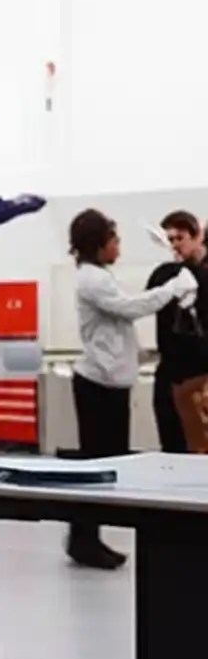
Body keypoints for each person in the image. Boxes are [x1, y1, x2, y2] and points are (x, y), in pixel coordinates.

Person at [66, 209, 197, 569]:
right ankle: (83, 539)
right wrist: (173, 287)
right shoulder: (93, 280)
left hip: (110, 382)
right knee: (97, 464)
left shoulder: (101, 276)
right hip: (98, 386)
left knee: (108, 462)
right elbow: (130, 308)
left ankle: (87, 536)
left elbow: (117, 328)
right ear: (98, 244)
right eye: (114, 239)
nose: (118, 245)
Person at [146, 210, 208, 453]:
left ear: (197, 236)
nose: (175, 245)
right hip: (172, 376)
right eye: (170, 240)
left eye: (179, 238)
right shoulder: (166, 276)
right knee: (172, 448)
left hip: (200, 379)